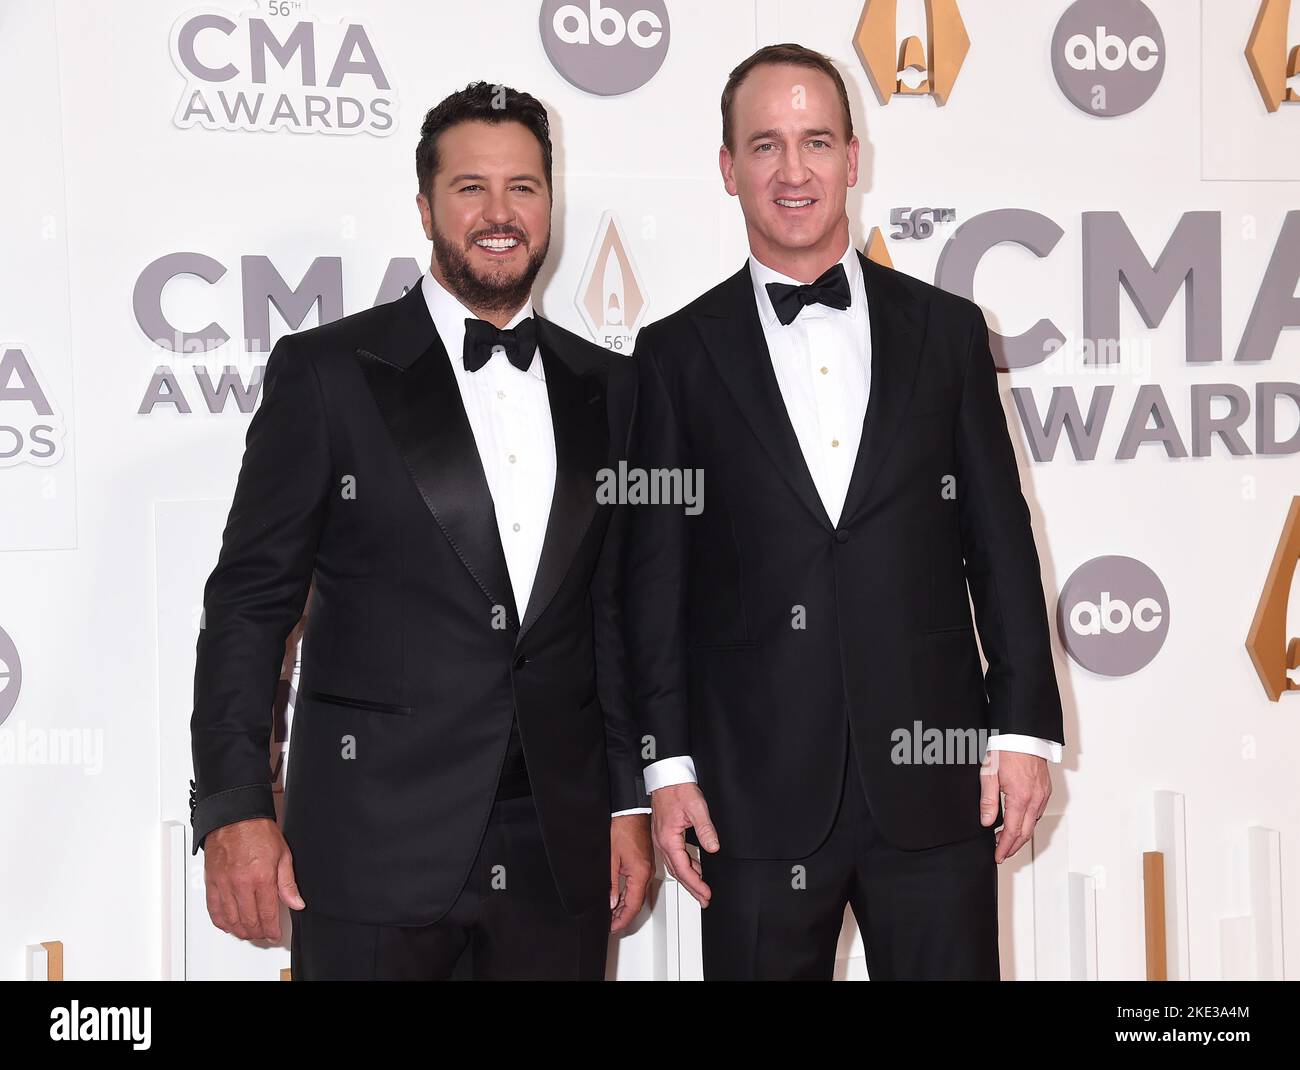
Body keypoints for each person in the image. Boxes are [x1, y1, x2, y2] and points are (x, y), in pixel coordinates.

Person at [189, 81, 653, 981]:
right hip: (369, 840)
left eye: (522, 187)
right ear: (425, 207)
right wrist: (235, 806)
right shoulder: (328, 373)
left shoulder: (611, 388)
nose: (499, 213)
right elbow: (249, 603)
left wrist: (624, 803)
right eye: (470, 188)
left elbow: (612, 615)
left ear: (551, 203)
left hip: (555, 847)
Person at [625, 43, 1065, 980]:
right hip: (749, 793)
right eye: (767, 146)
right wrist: (665, 770)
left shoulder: (947, 332)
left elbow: (1000, 541)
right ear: (728, 168)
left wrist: (1022, 732)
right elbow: (651, 584)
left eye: (817, 142)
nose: (794, 171)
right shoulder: (671, 356)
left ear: (854, 159)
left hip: (938, 787)